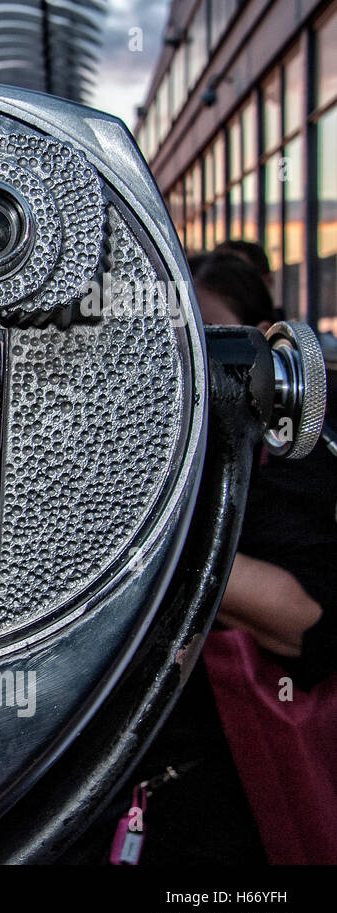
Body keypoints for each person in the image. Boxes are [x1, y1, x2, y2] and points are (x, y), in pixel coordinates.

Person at [64, 252, 337, 864]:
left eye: (214, 347)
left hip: (215, 795)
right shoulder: (115, 436)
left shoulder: (285, 457)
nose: (188, 364)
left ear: (262, 357)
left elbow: (306, 621)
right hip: (91, 791)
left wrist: (134, 536)